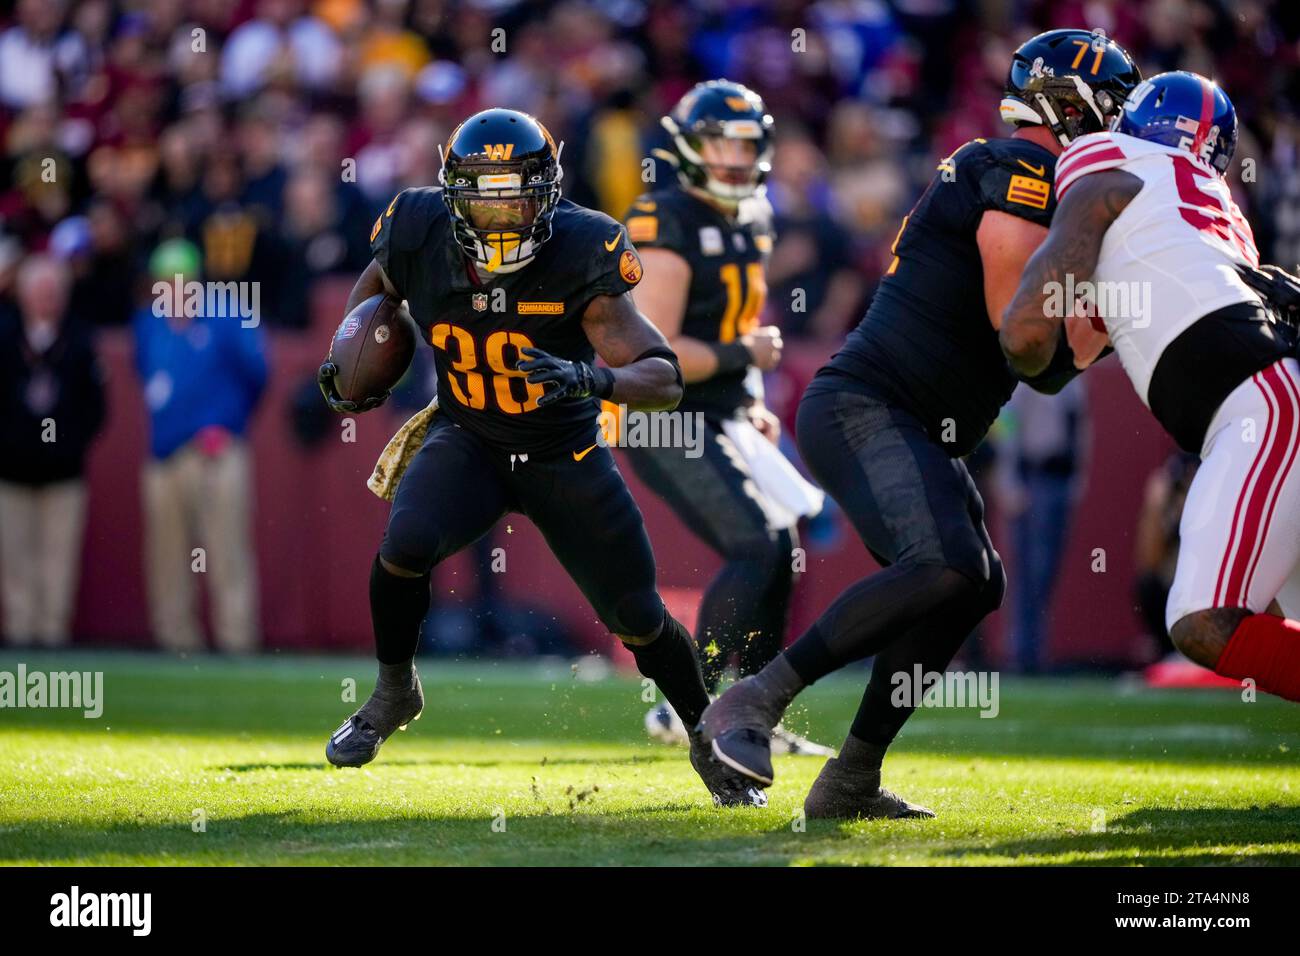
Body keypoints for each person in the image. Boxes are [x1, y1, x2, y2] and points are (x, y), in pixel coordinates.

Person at [699, 29, 1139, 818]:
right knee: (943, 566)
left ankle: (851, 779)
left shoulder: (1032, 181)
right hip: (871, 404)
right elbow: (1027, 342)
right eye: (1111, 106)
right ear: (1069, 105)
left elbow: (1049, 353)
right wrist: (1118, 320)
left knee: (970, 582)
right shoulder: (1021, 171)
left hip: (909, 420)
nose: (1120, 124)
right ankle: (750, 703)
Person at [318, 108, 763, 807]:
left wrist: (592, 378)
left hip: (564, 451)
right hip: (469, 438)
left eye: (513, 192)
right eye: (482, 192)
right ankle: (393, 690)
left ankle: (706, 740)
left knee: (638, 618)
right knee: (404, 543)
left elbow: (665, 375)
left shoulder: (583, 247)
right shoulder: (416, 226)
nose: (498, 212)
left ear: (549, 191)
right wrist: (354, 358)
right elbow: (378, 289)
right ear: (452, 190)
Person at [1001, 71, 1300, 704]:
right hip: (1258, 392)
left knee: (1201, 619)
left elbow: (1034, 337)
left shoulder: (1106, 159)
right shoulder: (1221, 213)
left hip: (1257, 402)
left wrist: (1023, 330)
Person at [620, 80, 829, 755]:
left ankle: (753, 712)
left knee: (784, 554)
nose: (735, 158)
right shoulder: (665, 219)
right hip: (663, 414)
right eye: (720, 143)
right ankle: (689, 704)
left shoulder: (755, 214)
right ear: (689, 147)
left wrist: (754, 401)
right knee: (757, 546)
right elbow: (656, 354)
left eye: (745, 144)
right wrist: (745, 355)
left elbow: (739, 323)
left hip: (723, 410)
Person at [133, 238, 267, 653]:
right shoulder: (149, 324)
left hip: (215, 452)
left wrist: (226, 424)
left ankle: (237, 641)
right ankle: (175, 641)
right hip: (163, 453)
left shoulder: (226, 316)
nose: (172, 290)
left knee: (226, 551)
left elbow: (258, 374)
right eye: (164, 282)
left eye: (180, 281)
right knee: (167, 556)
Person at [0, 254, 105, 646]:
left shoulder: (78, 340)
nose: (47, 299)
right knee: (15, 559)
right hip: (11, 470)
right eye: (40, 290)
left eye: (53, 291)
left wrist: (66, 446)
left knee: (58, 560)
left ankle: (52, 635)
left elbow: (95, 409)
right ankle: (19, 633)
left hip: (63, 472)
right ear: (24, 295)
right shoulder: (6, 337)